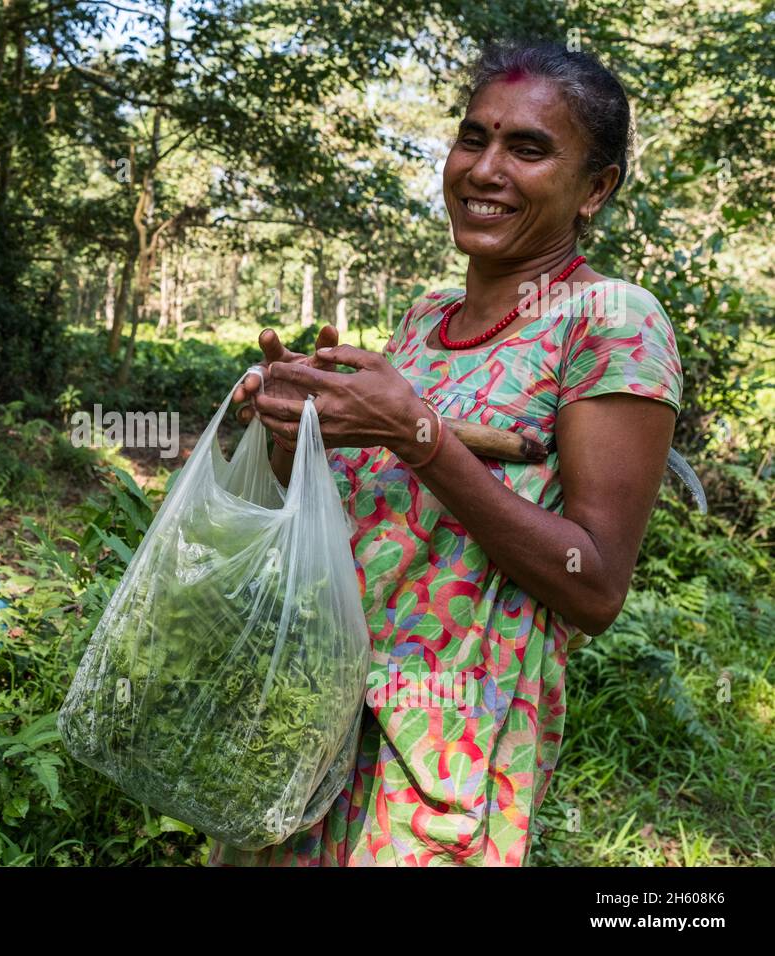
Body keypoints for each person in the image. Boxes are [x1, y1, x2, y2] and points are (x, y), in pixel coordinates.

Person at [216, 40, 682, 866]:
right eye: (474, 138)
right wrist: (294, 432)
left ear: (596, 188)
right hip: (315, 714)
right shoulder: (427, 318)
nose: (484, 169)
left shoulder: (611, 318)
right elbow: (365, 515)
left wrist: (416, 433)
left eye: (529, 149)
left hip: (446, 741)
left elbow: (597, 583)